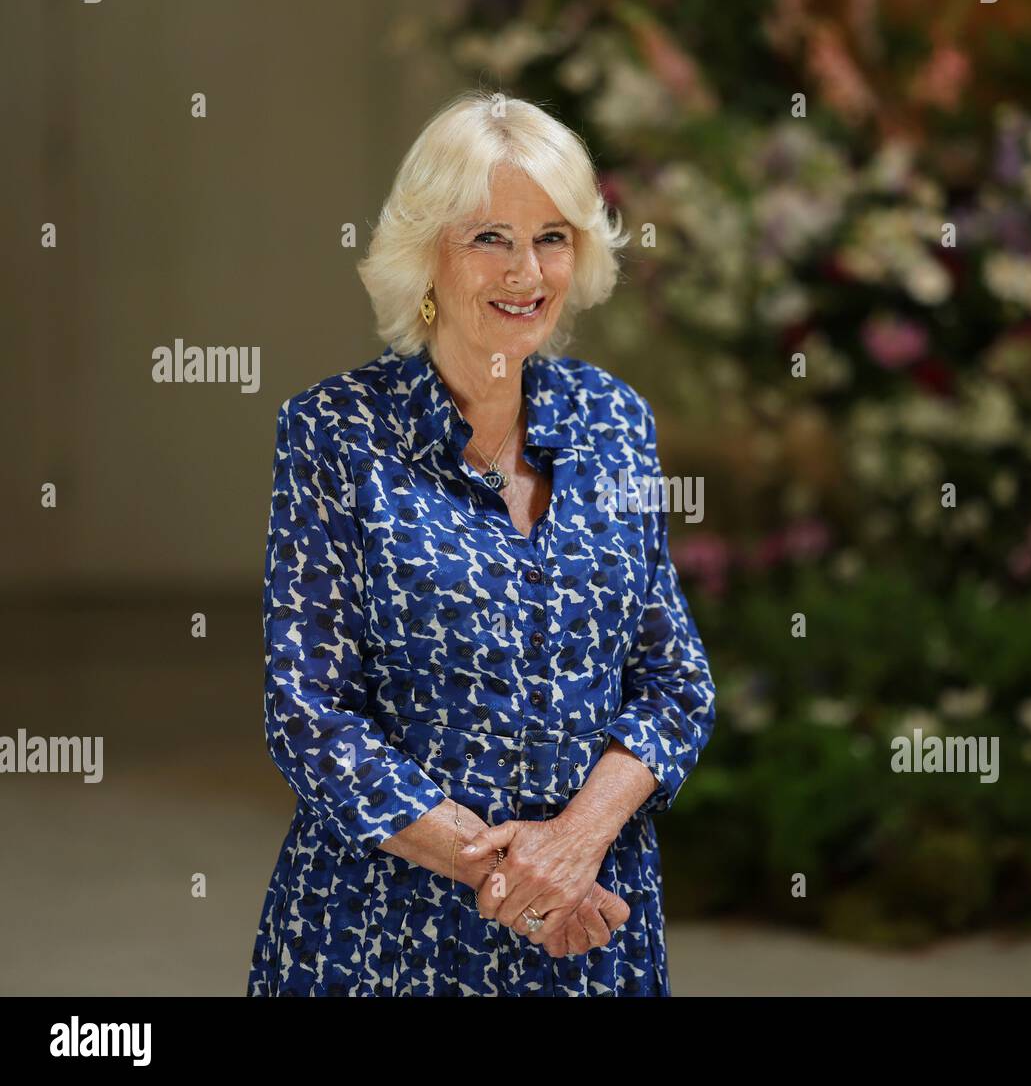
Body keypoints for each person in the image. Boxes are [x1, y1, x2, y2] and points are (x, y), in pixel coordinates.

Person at [245, 90, 716, 996]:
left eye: (552, 236)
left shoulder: (615, 421)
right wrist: (511, 877)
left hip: (591, 934)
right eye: (488, 238)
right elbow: (309, 713)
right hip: (383, 937)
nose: (525, 271)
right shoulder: (334, 432)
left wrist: (574, 845)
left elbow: (675, 681)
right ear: (425, 257)